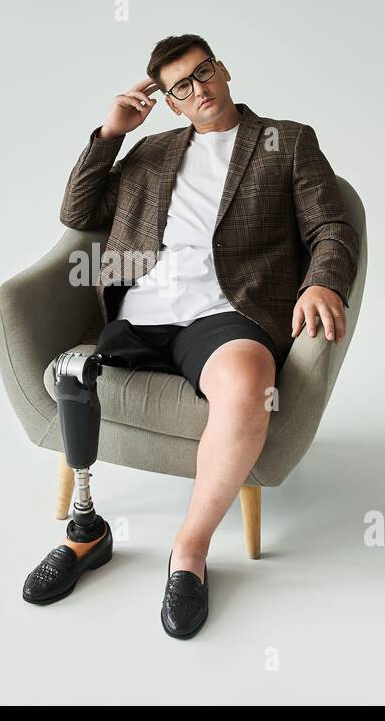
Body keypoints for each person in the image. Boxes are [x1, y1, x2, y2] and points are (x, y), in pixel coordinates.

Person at [22, 35, 362, 638]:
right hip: (142, 308)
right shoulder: (151, 151)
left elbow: (330, 223)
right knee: (71, 373)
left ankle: (190, 549)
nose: (198, 88)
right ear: (171, 102)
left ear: (223, 68)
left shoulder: (287, 140)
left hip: (226, 310)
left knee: (249, 381)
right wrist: (112, 132)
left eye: (203, 72)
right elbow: (79, 214)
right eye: (181, 85)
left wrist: (324, 283)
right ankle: (86, 533)